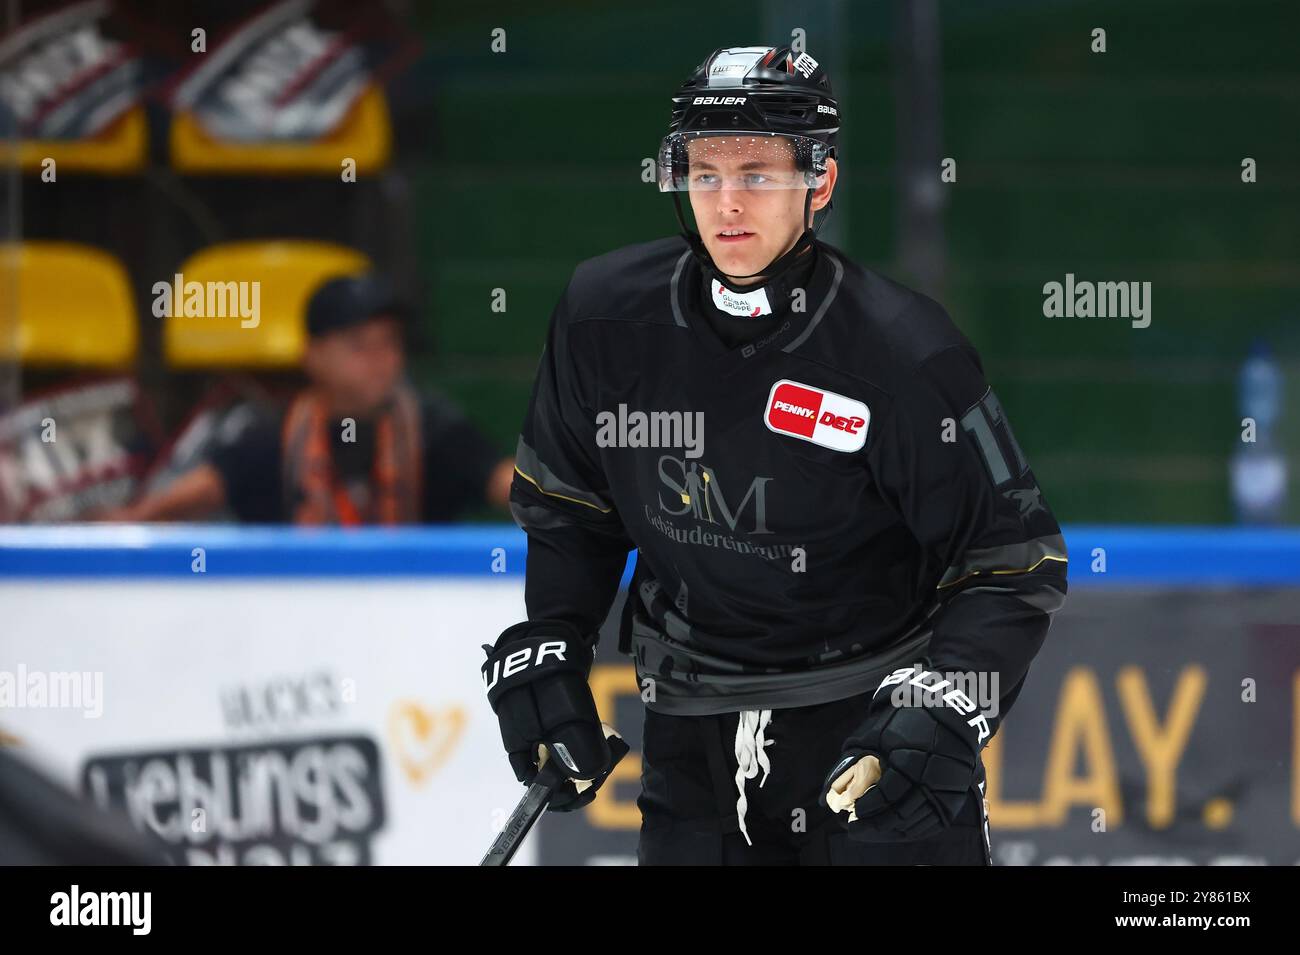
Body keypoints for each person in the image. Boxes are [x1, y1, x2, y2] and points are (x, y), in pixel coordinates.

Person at [481, 46, 1068, 865]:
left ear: (819, 184)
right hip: (690, 743)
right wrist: (552, 638)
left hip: (870, 750)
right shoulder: (604, 319)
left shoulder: (903, 352)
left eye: (757, 174)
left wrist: (942, 706)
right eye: (705, 171)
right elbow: (572, 511)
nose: (727, 202)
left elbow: (1011, 560)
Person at [112, 273, 513, 524]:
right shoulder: (271, 431)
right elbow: (204, 490)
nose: (381, 360)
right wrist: (130, 521)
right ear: (313, 356)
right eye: (359, 345)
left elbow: (504, 481)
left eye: (389, 343)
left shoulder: (435, 428)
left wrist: (565, 503)